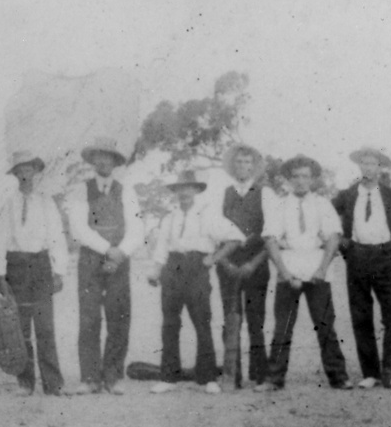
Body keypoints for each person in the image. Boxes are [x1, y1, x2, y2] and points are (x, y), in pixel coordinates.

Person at [259, 155, 352, 392]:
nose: (301, 181)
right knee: (283, 327)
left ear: (312, 179)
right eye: (296, 177)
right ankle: (274, 378)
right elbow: (270, 240)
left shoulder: (322, 204)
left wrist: (322, 269)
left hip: (317, 270)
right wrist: (284, 273)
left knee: (325, 326)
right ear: (289, 179)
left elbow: (333, 237)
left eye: (305, 176)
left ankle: (339, 377)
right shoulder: (279, 205)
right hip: (288, 269)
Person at [148, 170, 244, 395]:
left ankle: (207, 377)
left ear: (196, 191)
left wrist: (213, 258)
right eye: (180, 189)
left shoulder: (207, 214)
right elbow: (161, 247)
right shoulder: (170, 217)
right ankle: (168, 377)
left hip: (196, 268)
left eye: (188, 188)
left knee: (202, 322)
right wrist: (155, 271)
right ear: (175, 192)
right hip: (172, 269)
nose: (184, 193)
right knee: (170, 323)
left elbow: (236, 237)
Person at [331, 147, 391, 391]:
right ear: (359, 167)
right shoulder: (347, 195)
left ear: (380, 168)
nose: (368, 168)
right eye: (364, 164)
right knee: (361, 314)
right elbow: (326, 214)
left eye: (373, 164)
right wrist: (342, 240)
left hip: (384, 255)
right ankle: (370, 373)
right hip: (356, 255)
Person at [65, 138, 143, 396]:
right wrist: (106, 249)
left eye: (108, 157)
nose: (103, 161)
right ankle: (90, 377)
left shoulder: (127, 191)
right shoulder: (81, 190)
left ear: (115, 162)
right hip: (91, 260)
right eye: (99, 157)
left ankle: (113, 376)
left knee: (119, 317)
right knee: (89, 318)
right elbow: (78, 228)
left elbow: (137, 229)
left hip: (119, 259)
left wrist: (120, 252)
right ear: (93, 161)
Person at [0, 150, 69, 397]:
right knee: (20, 327)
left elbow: (57, 237)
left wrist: (59, 271)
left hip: (41, 266)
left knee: (45, 326)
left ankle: (53, 383)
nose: (25, 174)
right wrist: (0, 276)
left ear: (35, 172)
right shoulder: (7, 203)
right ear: (15, 174)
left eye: (29, 170)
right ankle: (25, 382)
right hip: (16, 267)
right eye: (20, 170)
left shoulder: (46, 202)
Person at [216, 143, 276, 389]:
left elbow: (272, 234)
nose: (243, 166)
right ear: (233, 166)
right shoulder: (222, 193)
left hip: (255, 264)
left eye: (247, 163)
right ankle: (232, 374)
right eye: (239, 162)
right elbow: (214, 231)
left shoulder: (266, 194)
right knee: (231, 318)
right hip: (228, 264)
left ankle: (259, 372)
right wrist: (225, 261)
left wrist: (254, 263)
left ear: (254, 167)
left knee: (255, 319)